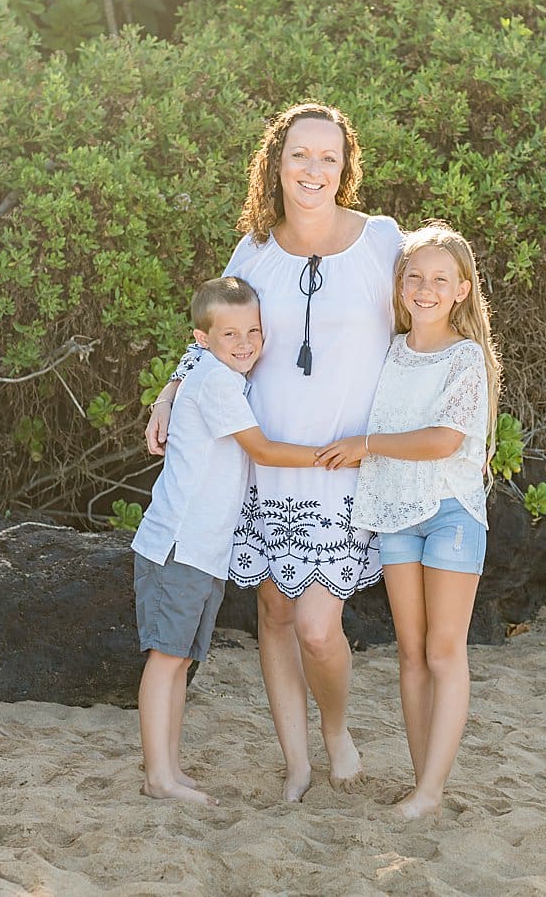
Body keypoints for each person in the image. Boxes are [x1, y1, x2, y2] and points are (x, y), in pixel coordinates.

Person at [146, 102, 403, 801]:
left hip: (347, 466)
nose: (313, 170)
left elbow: (433, 323)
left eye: (327, 156)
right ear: (276, 163)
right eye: (299, 156)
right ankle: (295, 764)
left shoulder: (382, 240)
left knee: (320, 629)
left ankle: (337, 730)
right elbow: (214, 329)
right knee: (275, 614)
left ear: (345, 165)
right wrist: (172, 389)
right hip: (266, 465)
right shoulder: (255, 248)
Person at [316, 223, 501, 820]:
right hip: (395, 513)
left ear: (462, 291)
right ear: (399, 285)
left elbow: (446, 440)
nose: (424, 288)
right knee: (411, 655)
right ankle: (425, 783)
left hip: (449, 515)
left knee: (445, 653)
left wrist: (366, 444)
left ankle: (429, 792)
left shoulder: (466, 358)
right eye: (414, 276)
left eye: (439, 280)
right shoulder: (390, 351)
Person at [132, 277, 322, 806]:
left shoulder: (223, 376)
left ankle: (167, 770)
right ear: (201, 339)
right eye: (230, 333)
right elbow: (261, 450)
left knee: (180, 661)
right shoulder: (215, 381)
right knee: (165, 660)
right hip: (178, 545)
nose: (244, 343)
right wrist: (333, 455)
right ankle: (158, 776)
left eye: (254, 332)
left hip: (203, 550)